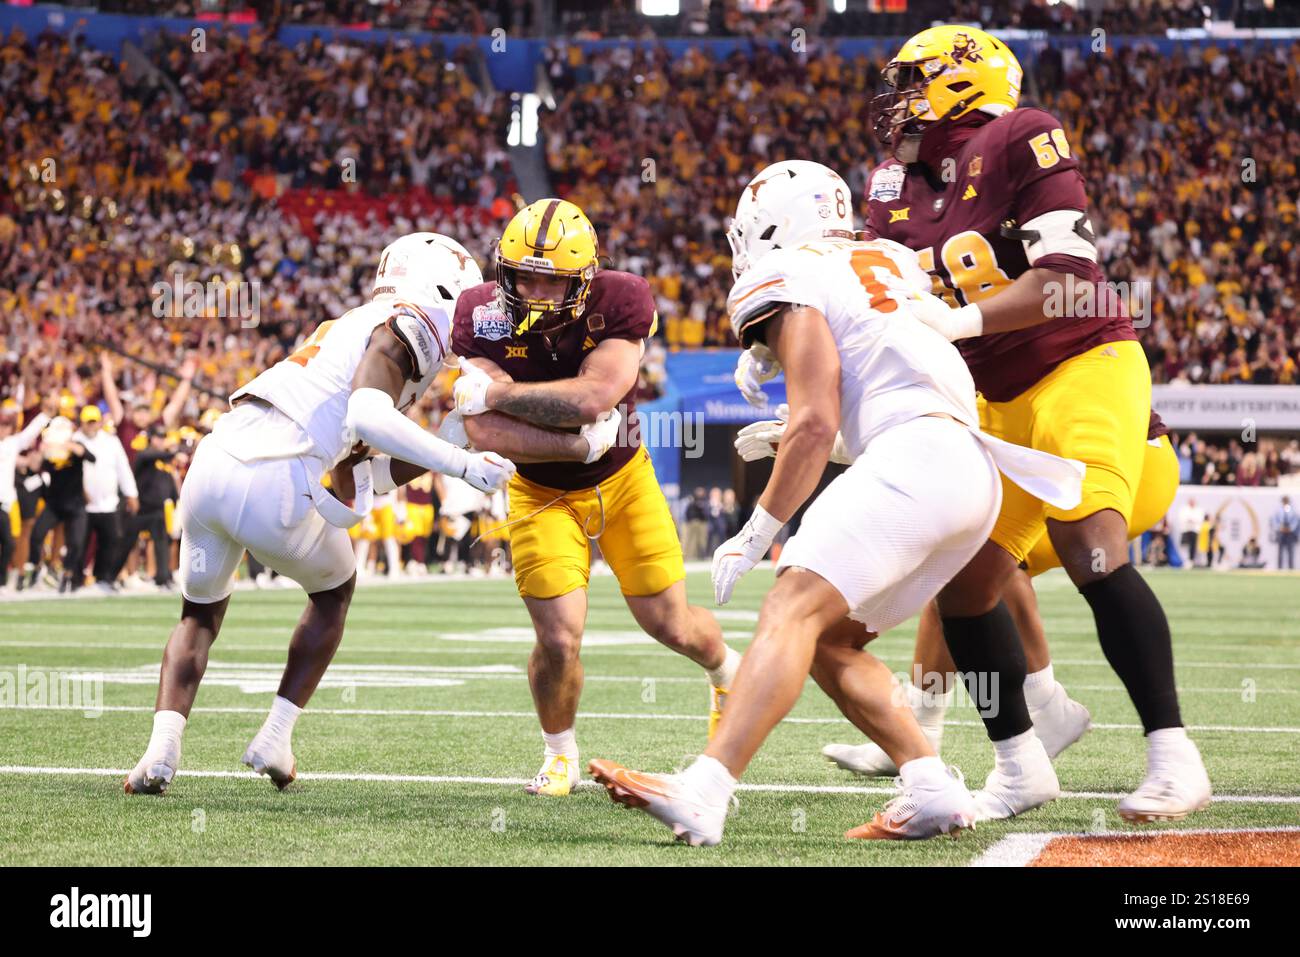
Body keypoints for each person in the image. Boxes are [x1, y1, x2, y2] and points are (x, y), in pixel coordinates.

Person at [587, 161, 1082, 845]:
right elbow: (888, 381)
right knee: (829, 636)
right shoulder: (893, 258)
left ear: (770, 227)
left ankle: (705, 790)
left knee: (788, 608)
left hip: (918, 458)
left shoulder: (785, 272)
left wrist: (756, 529)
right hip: (970, 469)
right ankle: (930, 783)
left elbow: (815, 420)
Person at [820, 25, 1207, 823]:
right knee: (962, 585)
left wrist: (958, 324)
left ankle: (1175, 754)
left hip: (1082, 359)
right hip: (993, 396)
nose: (895, 99)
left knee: (1090, 544)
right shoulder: (892, 182)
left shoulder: (1021, 134)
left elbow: (1068, 279)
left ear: (964, 78)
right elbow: (877, 302)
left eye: (912, 79)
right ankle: (1021, 765)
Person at [124, 233, 515, 796]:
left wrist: (448, 436)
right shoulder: (415, 324)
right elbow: (368, 413)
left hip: (213, 465)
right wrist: (460, 463)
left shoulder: (351, 327)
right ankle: (276, 735)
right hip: (275, 479)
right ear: (444, 286)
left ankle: (159, 752)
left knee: (199, 615)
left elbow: (362, 475)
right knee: (334, 593)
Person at [450, 198, 742, 797]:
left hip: (623, 478)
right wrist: (575, 447)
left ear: (583, 282)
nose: (531, 291)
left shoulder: (622, 297)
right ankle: (560, 754)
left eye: (549, 280)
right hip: (540, 492)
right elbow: (483, 433)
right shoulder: (478, 312)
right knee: (558, 638)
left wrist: (497, 395)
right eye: (521, 275)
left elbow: (594, 400)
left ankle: (725, 672)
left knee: (673, 626)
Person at [27, 416, 95, 593]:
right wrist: (42, 451)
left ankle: (67, 574)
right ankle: (37, 568)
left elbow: (91, 457)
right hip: (54, 503)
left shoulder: (75, 445)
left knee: (76, 543)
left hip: (76, 503)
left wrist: (69, 445)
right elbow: (33, 467)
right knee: (36, 536)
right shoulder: (49, 449)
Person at [75, 404, 139, 591]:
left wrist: (131, 493)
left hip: (109, 502)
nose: (91, 426)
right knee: (80, 542)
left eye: (94, 422)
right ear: (82, 423)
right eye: (88, 422)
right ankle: (77, 579)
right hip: (83, 504)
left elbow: (123, 469)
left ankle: (102, 578)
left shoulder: (111, 441)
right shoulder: (75, 440)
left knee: (112, 540)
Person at [0, 397, 52, 591]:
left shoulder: (12, 443)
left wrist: (44, 415)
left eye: (6, 425)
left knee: (11, 541)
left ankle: (5, 579)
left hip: (7, 501)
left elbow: (28, 435)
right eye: (2, 425)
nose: (4, 429)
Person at [1178, 497, 1205, 568]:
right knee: (1185, 545)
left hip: (1195, 530)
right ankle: (1185, 560)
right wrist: (1189, 520)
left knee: (1193, 546)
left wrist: (1192, 520)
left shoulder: (1198, 510)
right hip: (1186, 529)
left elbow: (1200, 519)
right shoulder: (1184, 509)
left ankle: (1191, 560)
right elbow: (1182, 518)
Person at [1272, 496, 1297, 569]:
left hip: (1290, 532)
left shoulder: (1292, 510)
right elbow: (1274, 520)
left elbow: (1295, 521)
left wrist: (1291, 528)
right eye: (1284, 501)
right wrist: (1279, 528)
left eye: (1287, 500)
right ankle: (1279, 568)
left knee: (1290, 551)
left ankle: (1291, 568)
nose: (1285, 502)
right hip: (1281, 531)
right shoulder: (1278, 510)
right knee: (1280, 551)